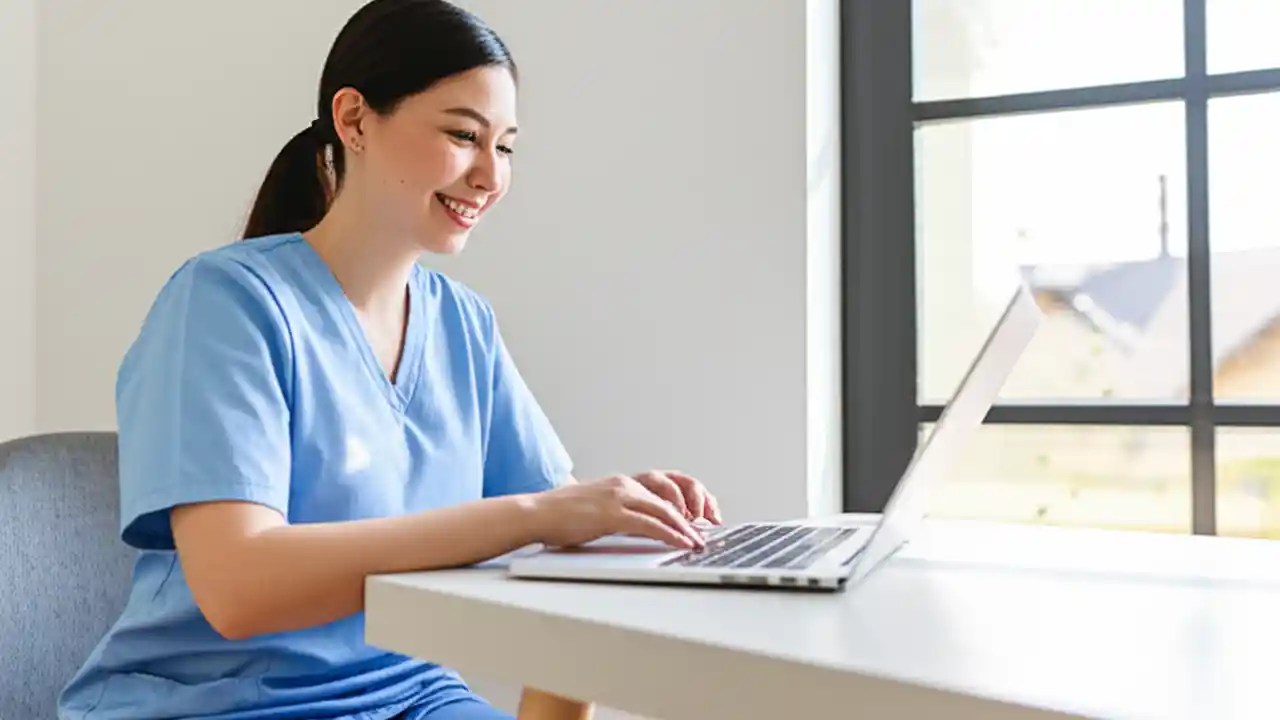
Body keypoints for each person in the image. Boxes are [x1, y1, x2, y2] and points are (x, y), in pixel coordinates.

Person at [56, 1, 721, 718]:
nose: (489, 176)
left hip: (412, 696)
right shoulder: (225, 303)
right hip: (222, 705)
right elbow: (238, 587)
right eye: (463, 135)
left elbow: (554, 530)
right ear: (354, 120)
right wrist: (535, 515)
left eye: (506, 147)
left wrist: (621, 517)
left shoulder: (463, 326)